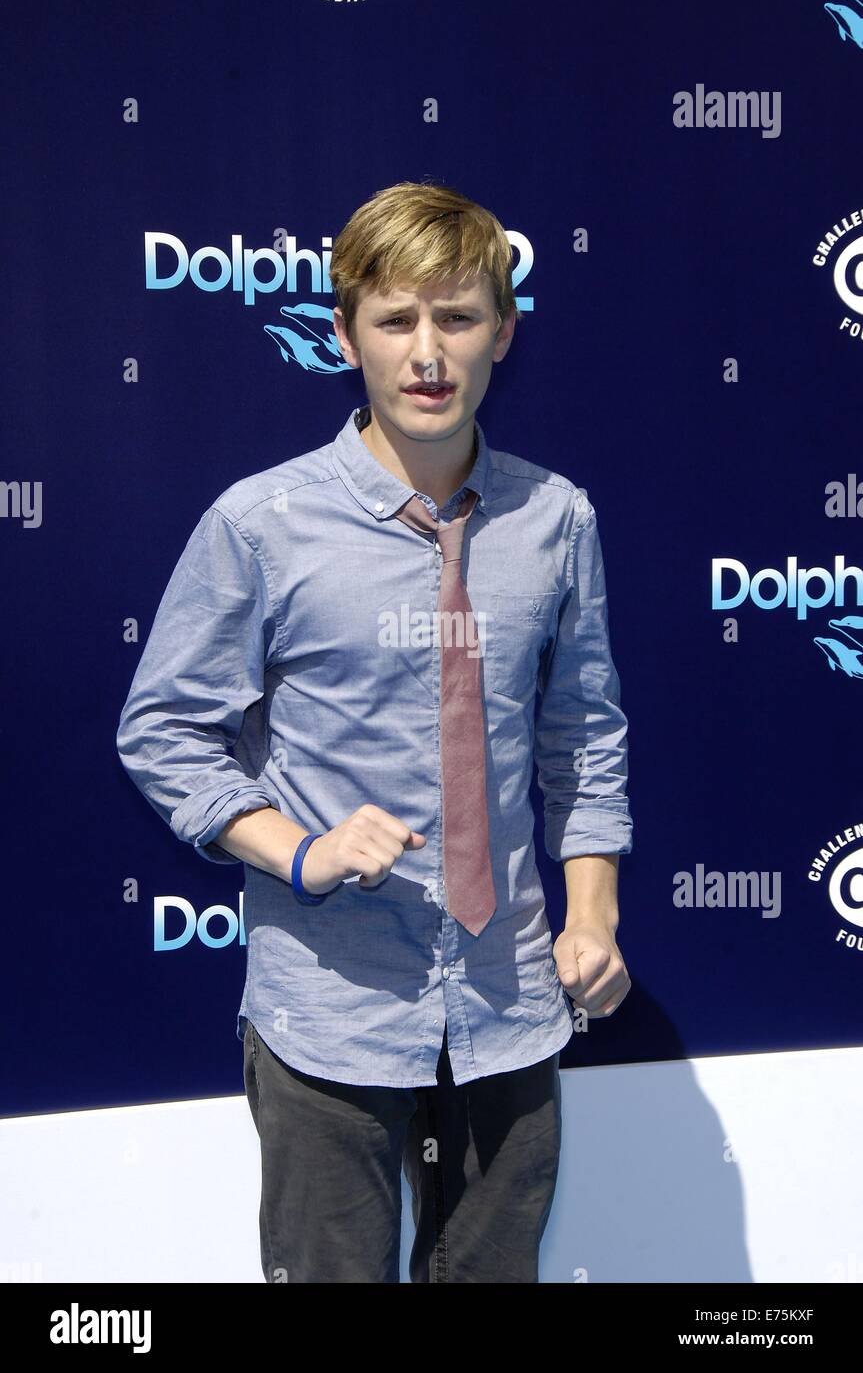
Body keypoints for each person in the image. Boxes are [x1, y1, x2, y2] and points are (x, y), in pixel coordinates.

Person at [115, 179, 633, 1283]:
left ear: (503, 330)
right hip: (328, 1011)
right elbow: (162, 731)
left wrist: (591, 915)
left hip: (507, 1005)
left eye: (455, 316)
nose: (427, 351)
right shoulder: (260, 524)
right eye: (396, 320)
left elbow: (583, 736)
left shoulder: (556, 519)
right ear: (344, 336)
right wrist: (298, 850)